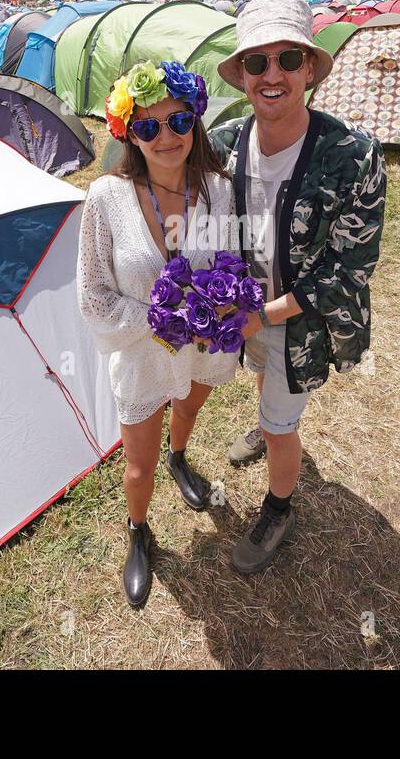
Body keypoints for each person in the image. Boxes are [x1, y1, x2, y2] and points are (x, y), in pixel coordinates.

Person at [208, 0, 386, 574]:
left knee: (283, 425)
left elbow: (347, 271)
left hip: (300, 324)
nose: (273, 74)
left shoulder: (351, 156)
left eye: (288, 58)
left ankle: (278, 506)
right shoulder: (228, 141)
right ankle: (266, 423)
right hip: (248, 313)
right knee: (261, 377)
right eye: (256, 63)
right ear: (242, 77)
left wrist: (263, 315)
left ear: (310, 67)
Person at [76, 59, 237, 607]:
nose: (166, 136)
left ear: (197, 119)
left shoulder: (216, 190)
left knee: (188, 409)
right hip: (141, 356)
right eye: (148, 126)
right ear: (128, 134)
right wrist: (158, 317)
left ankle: (181, 454)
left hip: (201, 347)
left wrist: (219, 304)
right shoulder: (106, 198)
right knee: (137, 468)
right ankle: (138, 532)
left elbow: (228, 261)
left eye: (179, 120)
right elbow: (92, 295)